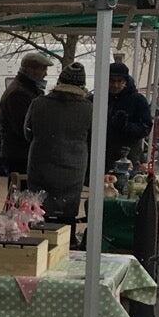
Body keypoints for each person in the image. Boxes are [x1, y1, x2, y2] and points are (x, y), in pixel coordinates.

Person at [25, 63, 93, 225]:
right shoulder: (88, 108)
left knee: (39, 208)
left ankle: (38, 240)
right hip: (74, 168)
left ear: (60, 81)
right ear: (81, 85)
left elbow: (27, 132)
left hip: (40, 163)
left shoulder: (39, 103)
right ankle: (66, 241)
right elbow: (92, 138)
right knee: (66, 211)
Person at [0, 55, 49, 188]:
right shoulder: (19, 94)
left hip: (20, 152)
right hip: (20, 153)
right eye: (43, 69)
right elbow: (23, 127)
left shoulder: (24, 90)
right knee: (22, 194)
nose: (46, 74)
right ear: (31, 70)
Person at [105, 60, 153, 169]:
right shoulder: (98, 98)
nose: (115, 85)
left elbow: (145, 128)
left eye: (119, 81)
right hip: (103, 155)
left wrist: (126, 126)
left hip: (128, 156)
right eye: (112, 81)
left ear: (125, 81)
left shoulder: (137, 100)